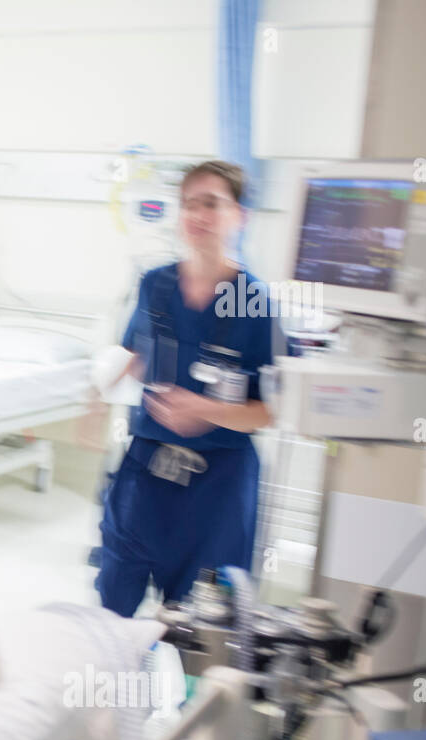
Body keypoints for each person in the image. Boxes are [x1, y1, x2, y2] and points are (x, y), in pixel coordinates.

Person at [96, 160, 274, 617]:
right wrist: (97, 391)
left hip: (217, 489)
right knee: (113, 605)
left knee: (199, 623)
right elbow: (137, 352)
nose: (198, 215)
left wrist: (204, 409)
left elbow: (267, 411)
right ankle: (109, 688)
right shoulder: (156, 284)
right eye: (189, 204)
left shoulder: (253, 301)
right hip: (145, 472)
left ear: (240, 216)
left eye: (211, 203)